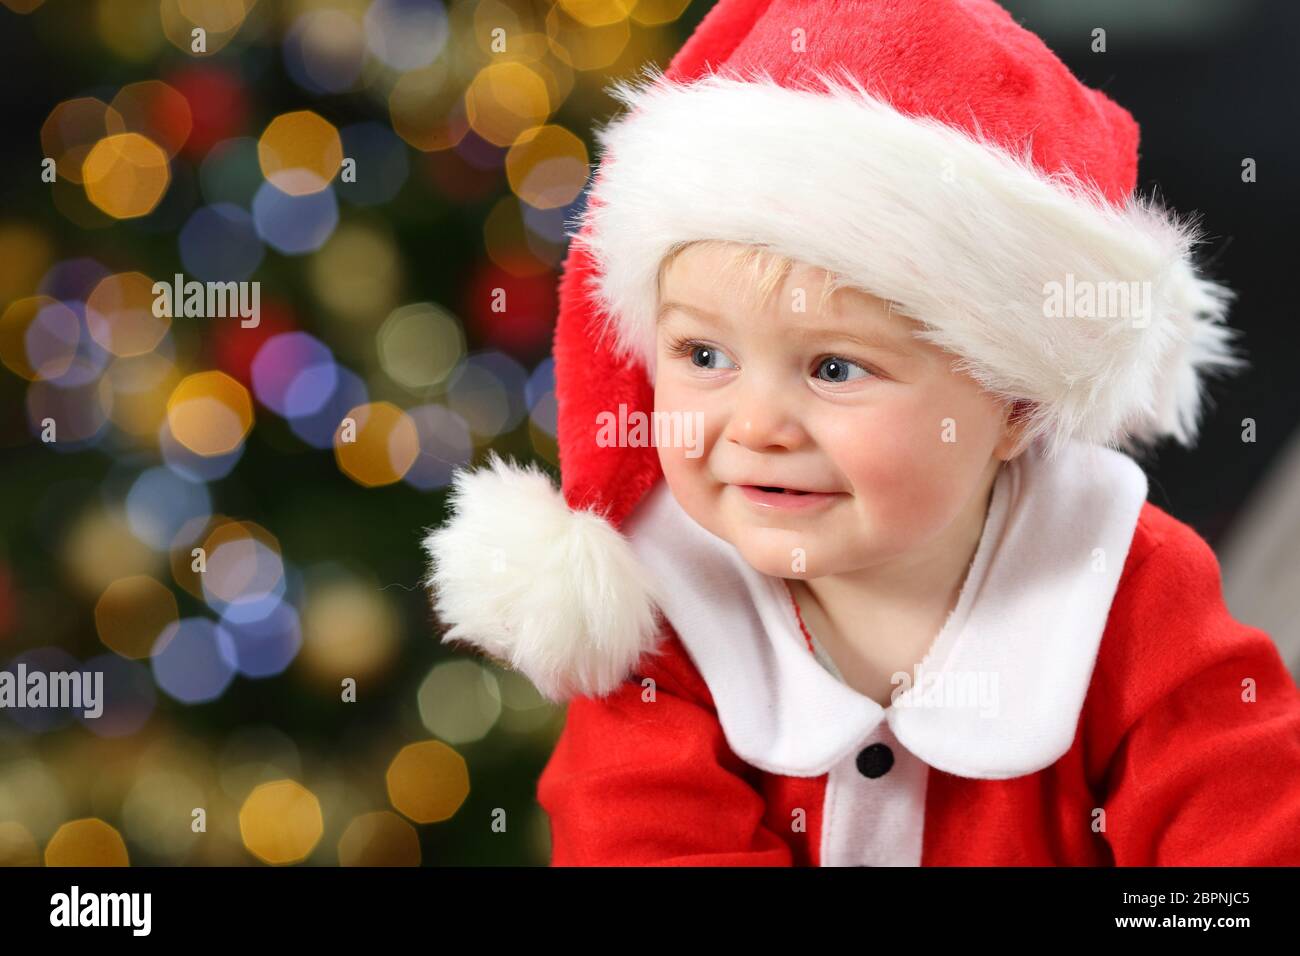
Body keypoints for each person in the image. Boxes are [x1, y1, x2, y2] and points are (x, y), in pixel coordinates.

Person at [422, 0, 1300, 865]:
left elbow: (1246, 836)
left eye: (835, 368)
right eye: (702, 353)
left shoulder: (1120, 580)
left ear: (1015, 408)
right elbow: (643, 844)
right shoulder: (663, 606)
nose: (756, 425)